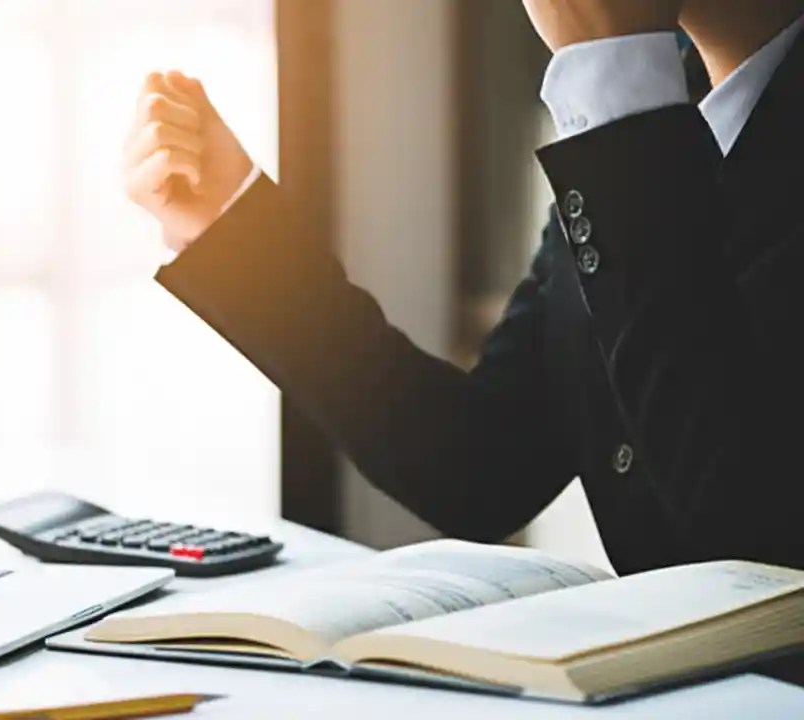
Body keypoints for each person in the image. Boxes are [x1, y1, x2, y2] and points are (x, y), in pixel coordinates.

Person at [123, 0, 804, 575]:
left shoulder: (632, 117)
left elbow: (754, 548)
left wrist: (612, 75)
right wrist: (232, 230)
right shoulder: (658, 118)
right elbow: (482, 467)